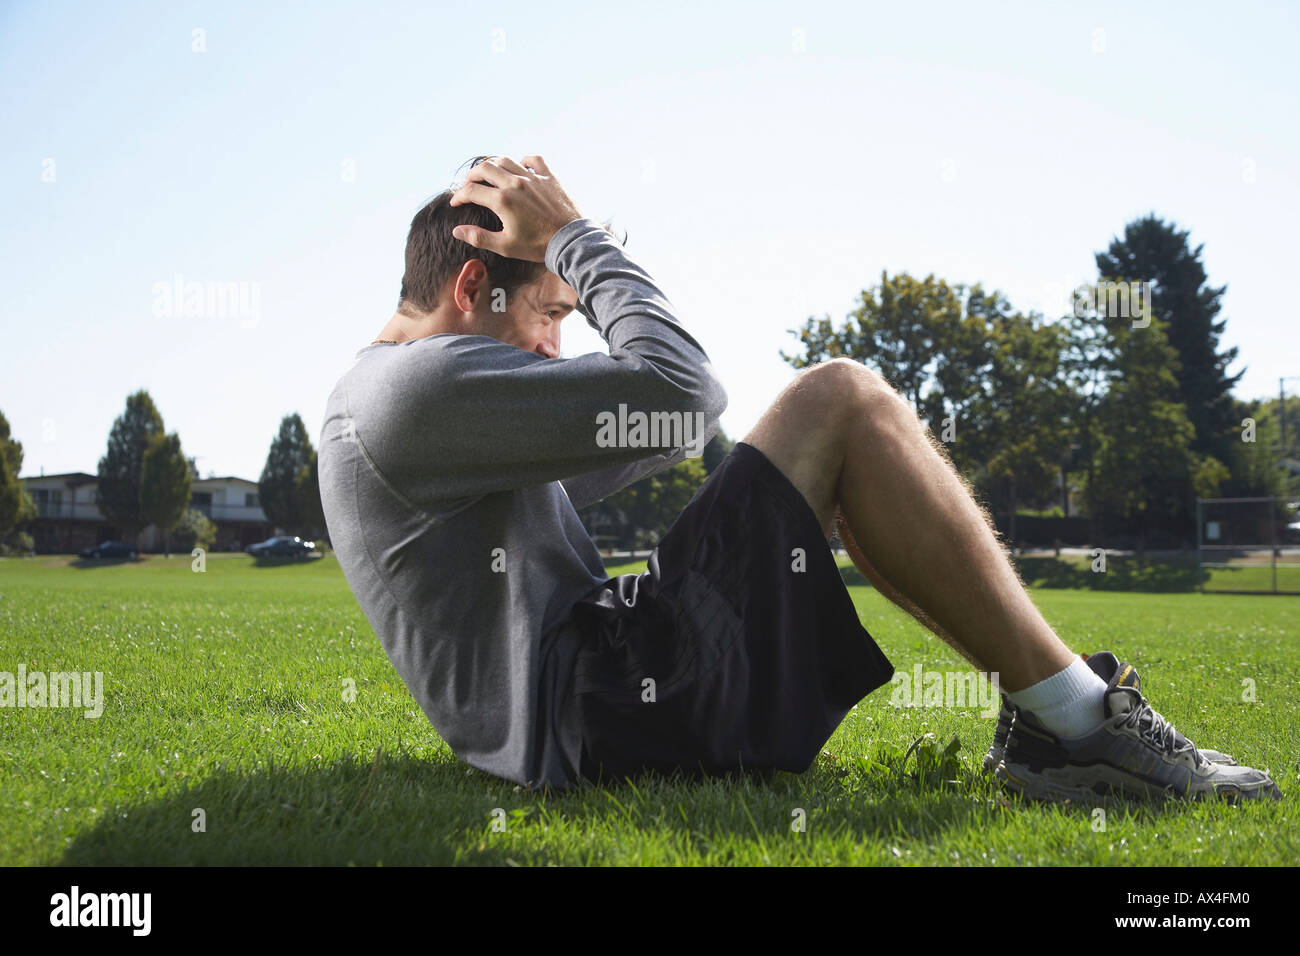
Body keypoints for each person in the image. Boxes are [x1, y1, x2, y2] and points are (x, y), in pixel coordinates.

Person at [318, 154, 1281, 803]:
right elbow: (684, 395)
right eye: (554, 313)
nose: (561, 344)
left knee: (825, 436)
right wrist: (573, 239)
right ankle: (1078, 720)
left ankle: (1052, 721)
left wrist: (755, 462)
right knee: (843, 398)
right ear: (472, 289)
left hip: (616, 695)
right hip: (611, 710)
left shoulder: (394, 400)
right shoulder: (417, 390)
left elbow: (663, 434)